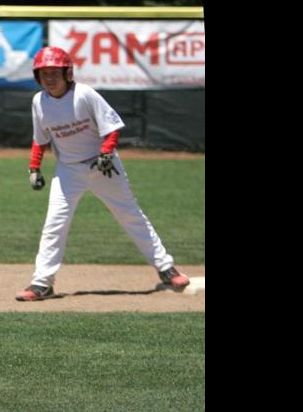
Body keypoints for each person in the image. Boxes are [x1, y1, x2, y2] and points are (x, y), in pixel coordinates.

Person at [14, 47, 190, 302]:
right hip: (68, 171)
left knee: (130, 216)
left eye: (54, 72)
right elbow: (39, 139)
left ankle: (166, 269)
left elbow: (112, 127)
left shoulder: (84, 94)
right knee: (54, 225)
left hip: (102, 166)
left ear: (67, 73)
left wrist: (106, 153)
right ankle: (42, 283)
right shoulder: (38, 101)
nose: (49, 78)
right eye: (43, 73)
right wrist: (34, 167)